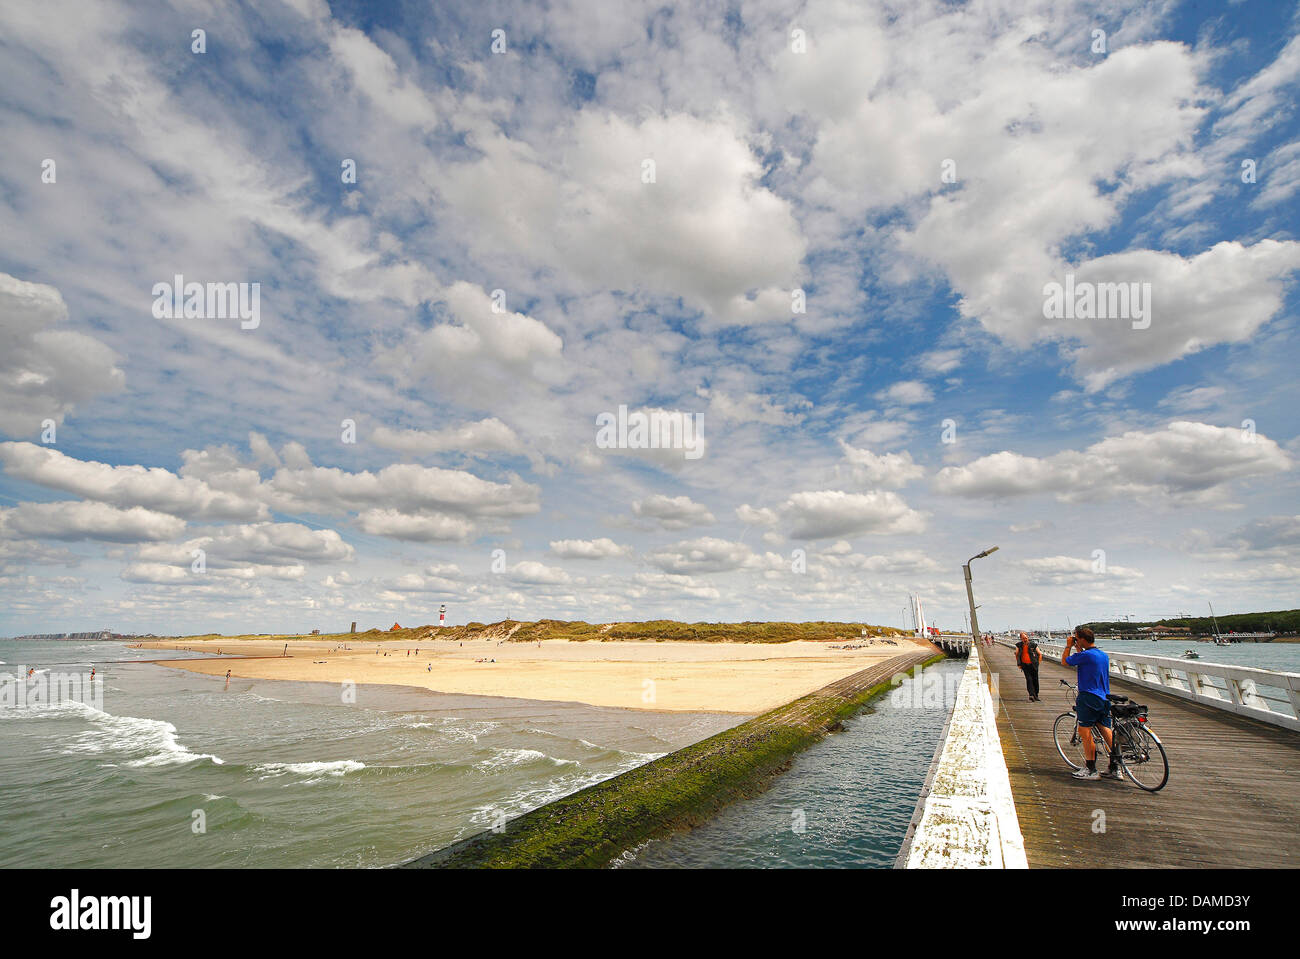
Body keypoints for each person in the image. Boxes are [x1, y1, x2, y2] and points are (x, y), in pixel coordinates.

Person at [1063, 627, 1120, 780]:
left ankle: (1091, 769)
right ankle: (1115, 767)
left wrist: (1069, 646)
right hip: (1104, 697)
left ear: (1081, 639)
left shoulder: (1085, 655)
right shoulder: (1103, 655)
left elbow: (1065, 661)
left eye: (1076, 637)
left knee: (1085, 731)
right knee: (1105, 729)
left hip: (1088, 697)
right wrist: (1079, 649)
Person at [1014, 632, 1042, 701]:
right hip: (1025, 665)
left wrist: (1038, 663)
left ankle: (1036, 695)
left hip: (1033, 665)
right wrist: (1019, 664)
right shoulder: (1019, 645)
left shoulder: (1033, 644)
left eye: (1026, 638)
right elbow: (1017, 655)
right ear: (1021, 638)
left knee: (1035, 680)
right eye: (1023, 638)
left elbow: (1040, 654)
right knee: (1029, 679)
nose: (1025, 639)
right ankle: (1031, 695)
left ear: (1028, 637)